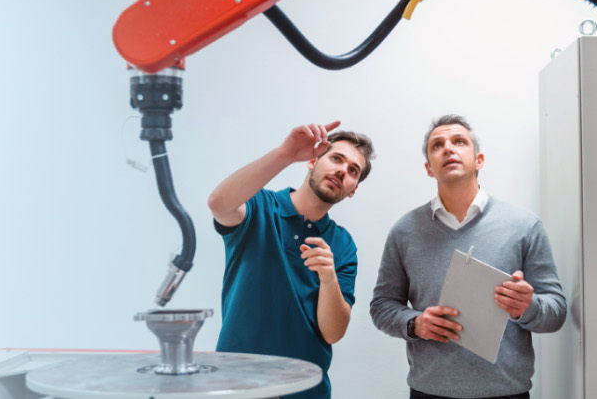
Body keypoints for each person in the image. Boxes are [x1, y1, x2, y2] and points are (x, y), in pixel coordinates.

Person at [369, 115, 566, 399]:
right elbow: (382, 306)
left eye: (459, 142)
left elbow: (556, 311)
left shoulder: (524, 225)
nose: (448, 148)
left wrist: (527, 306)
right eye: (437, 145)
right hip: (429, 392)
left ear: (479, 160)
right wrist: (415, 324)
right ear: (429, 168)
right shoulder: (404, 231)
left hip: (507, 392)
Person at [206, 121, 375, 399]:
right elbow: (218, 204)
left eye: (353, 170)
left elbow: (333, 333)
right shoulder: (259, 206)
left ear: (353, 189)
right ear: (312, 161)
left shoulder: (343, 245)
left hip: (306, 391)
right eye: (336, 158)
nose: (342, 170)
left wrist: (329, 277)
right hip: (237, 386)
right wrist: (284, 155)